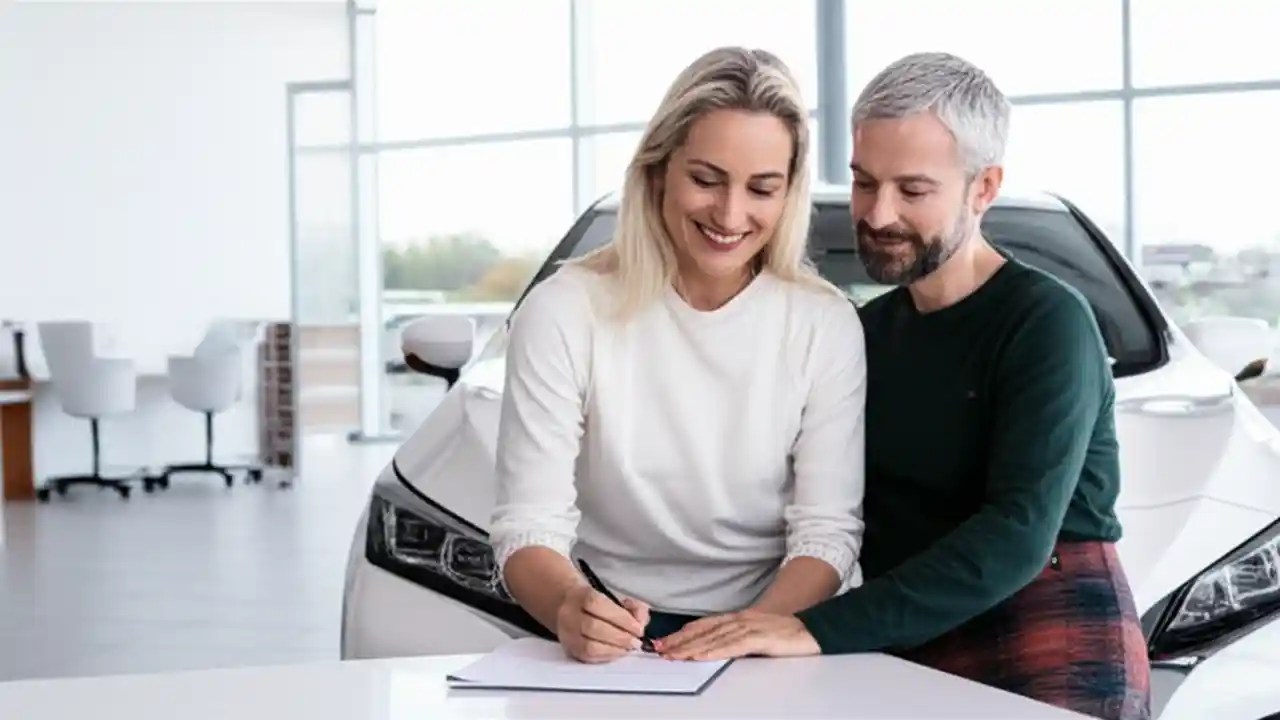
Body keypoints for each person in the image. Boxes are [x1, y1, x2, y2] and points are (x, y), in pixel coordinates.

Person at [656, 52, 1152, 719]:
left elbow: (1017, 533)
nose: (878, 214)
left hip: (1046, 627)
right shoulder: (860, 333)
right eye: (865, 182)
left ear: (983, 188)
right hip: (904, 631)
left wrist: (809, 630)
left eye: (913, 191)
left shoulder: (1046, 321)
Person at [488, 46, 868, 665]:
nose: (730, 214)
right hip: (615, 625)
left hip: (777, 621)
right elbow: (528, 525)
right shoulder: (563, 311)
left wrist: (749, 633)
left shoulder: (825, 323)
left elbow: (827, 534)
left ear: (788, 194)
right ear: (658, 170)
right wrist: (569, 607)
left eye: (762, 188)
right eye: (706, 180)